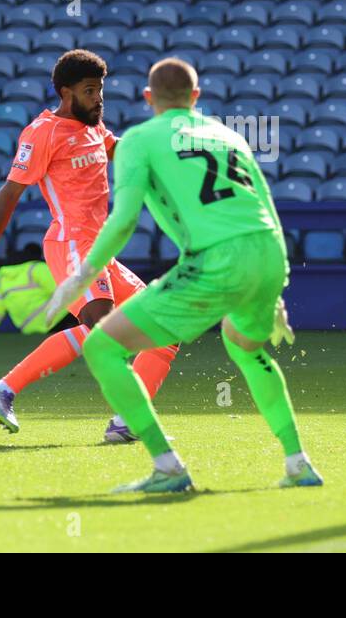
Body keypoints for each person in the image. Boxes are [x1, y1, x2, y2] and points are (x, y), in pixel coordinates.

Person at [28, 57, 320, 493]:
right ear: (195, 98)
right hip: (269, 253)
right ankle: (298, 464)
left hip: (214, 261)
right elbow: (265, 206)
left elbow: (123, 220)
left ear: (148, 98)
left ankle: (167, 467)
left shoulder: (140, 140)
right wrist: (274, 286)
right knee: (245, 348)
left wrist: (81, 275)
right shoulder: (228, 135)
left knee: (104, 347)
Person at [0, 50, 179, 444]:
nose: (98, 98)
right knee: (106, 328)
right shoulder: (42, 132)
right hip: (71, 244)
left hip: (101, 248)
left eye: (100, 90)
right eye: (89, 90)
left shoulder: (92, 124)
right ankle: (5, 389)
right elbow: (10, 191)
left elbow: (115, 148)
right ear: (65, 92)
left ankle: (127, 420)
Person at [0, 243, 55, 335]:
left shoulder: (1, 276)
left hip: (30, 329)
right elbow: (65, 293)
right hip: (58, 321)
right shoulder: (38, 268)